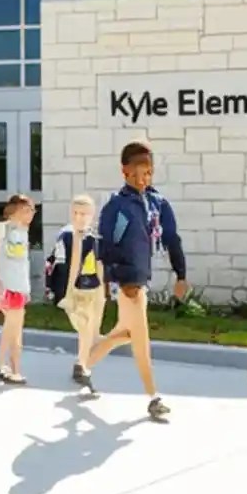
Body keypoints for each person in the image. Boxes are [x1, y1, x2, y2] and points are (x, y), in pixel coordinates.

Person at [86, 141, 189, 419]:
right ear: (125, 172)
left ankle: (84, 365)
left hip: (142, 278)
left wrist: (181, 274)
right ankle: (153, 397)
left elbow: (171, 239)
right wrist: (113, 280)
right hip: (128, 283)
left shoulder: (158, 203)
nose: (144, 179)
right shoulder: (117, 206)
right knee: (141, 340)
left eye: (149, 173)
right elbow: (106, 247)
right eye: (138, 173)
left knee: (125, 334)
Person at [48, 194, 106, 393]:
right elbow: (60, 266)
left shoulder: (94, 238)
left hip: (92, 289)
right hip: (74, 292)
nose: (80, 217)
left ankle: (82, 367)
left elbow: (99, 264)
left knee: (89, 331)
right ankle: (82, 367)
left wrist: (103, 292)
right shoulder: (66, 236)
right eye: (75, 213)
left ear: (92, 215)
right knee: (83, 329)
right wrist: (64, 292)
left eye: (84, 214)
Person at [0, 194, 36, 385]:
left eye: (32, 210)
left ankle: (8, 366)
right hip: (5, 285)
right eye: (26, 210)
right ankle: (9, 367)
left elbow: (23, 263)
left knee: (14, 327)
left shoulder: (24, 232)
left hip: (19, 286)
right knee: (13, 327)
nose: (30, 214)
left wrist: (26, 288)